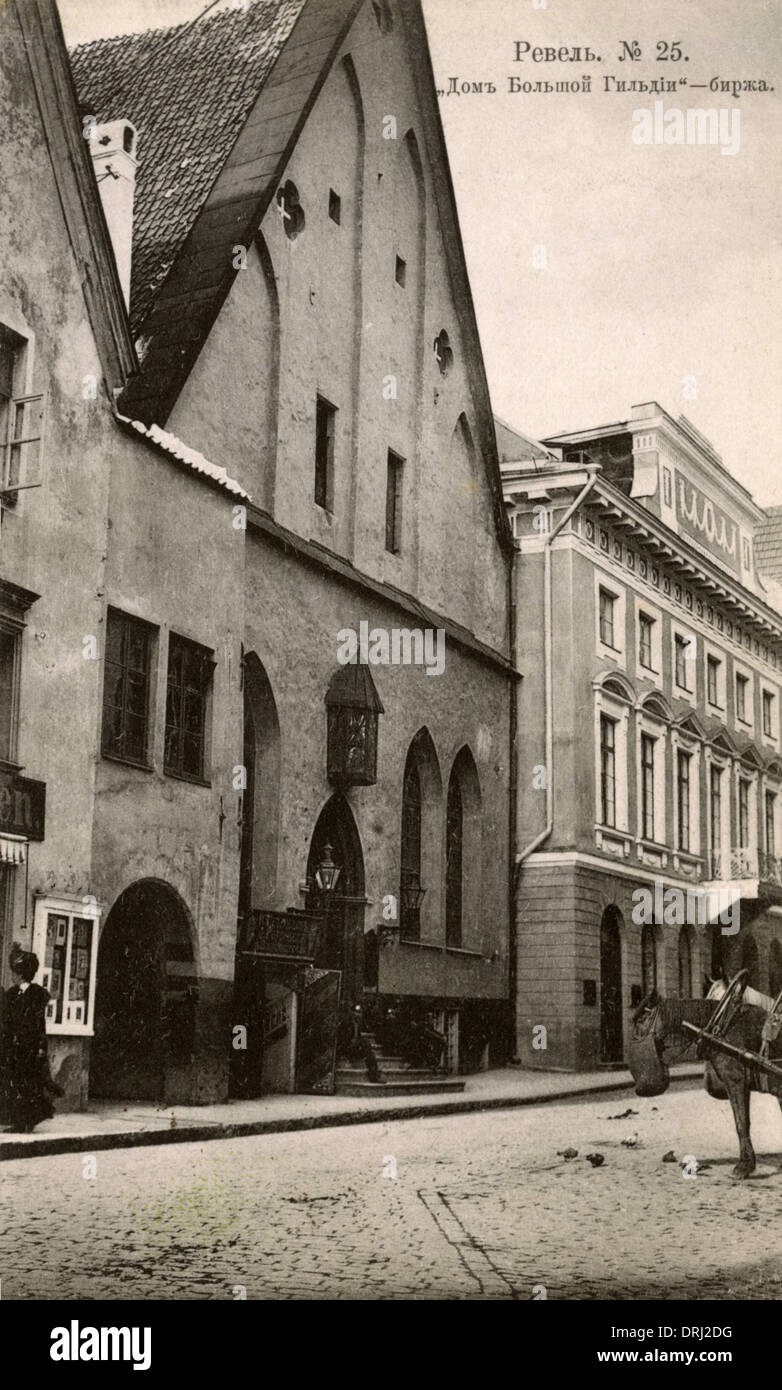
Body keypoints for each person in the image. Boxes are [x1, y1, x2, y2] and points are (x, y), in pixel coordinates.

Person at [1, 947, 59, 1132]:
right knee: (15, 1084)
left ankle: (26, 1122)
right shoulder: (11, 995)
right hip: (13, 1048)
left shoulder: (35, 996)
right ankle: (18, 1121)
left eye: (14, 972)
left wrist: (40, 1048)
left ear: (20, 974)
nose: (12, 976)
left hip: (29, 1048)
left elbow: (38, 1025)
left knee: (28, 1085)